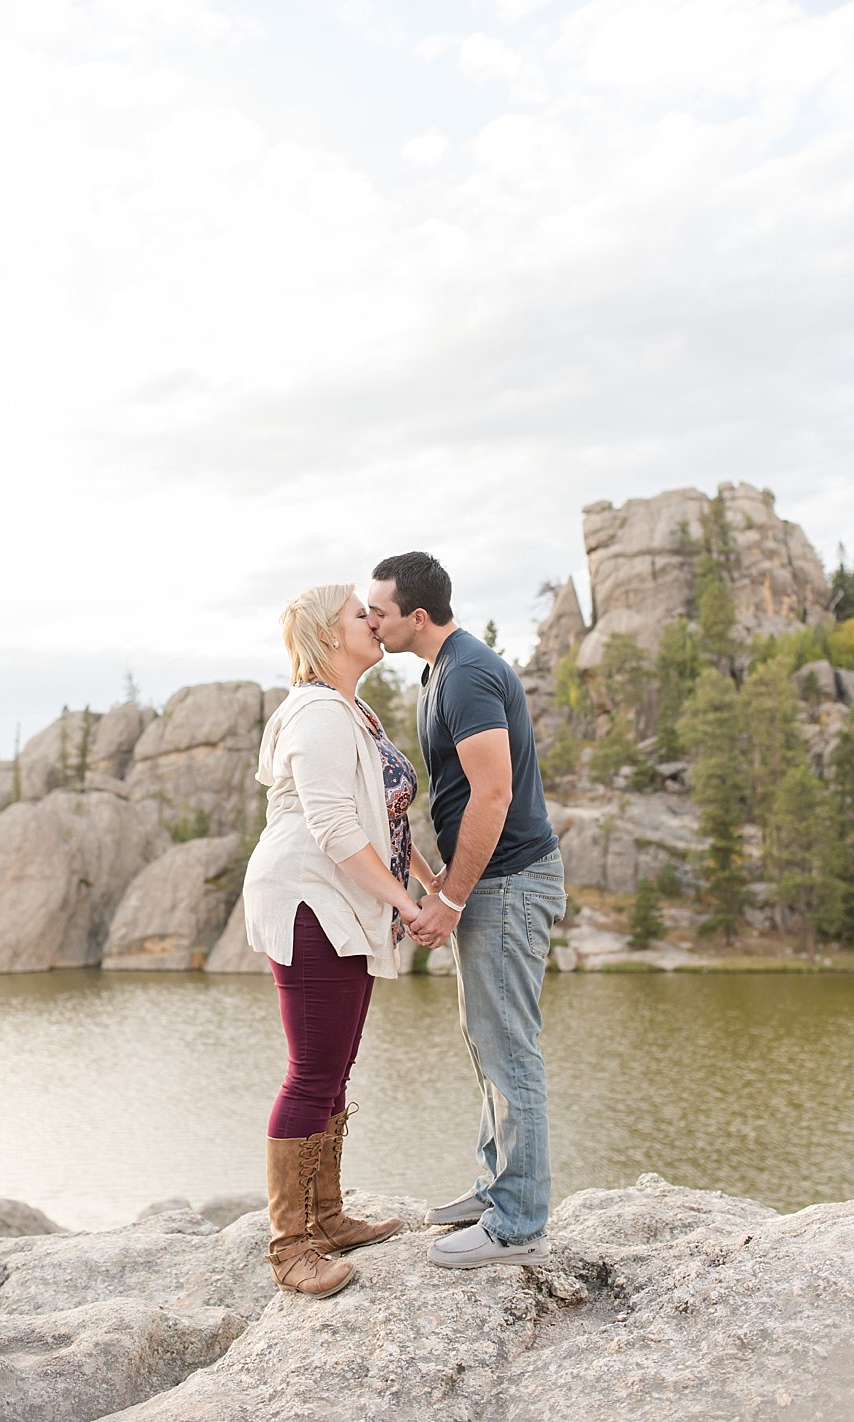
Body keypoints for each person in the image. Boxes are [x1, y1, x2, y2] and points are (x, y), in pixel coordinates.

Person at [365, 550, 566, 1269]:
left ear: (417, 617)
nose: (370, 621)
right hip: (490, 881)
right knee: (488, 1039)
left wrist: (449, 899)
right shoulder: (437, 673)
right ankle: (495, 1188)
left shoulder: (471, 674)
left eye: (378, 611)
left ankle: (518, 1225)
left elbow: (493, 795)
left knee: (509, 1046)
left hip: (510, 883)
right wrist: (443, 882)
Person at [243, 583, 437, 1297]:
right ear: (330, 635)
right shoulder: (318, 713)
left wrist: (425, 879)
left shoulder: (353, 711)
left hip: (346, 898)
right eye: (362, 614)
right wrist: (407, 905)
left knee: (336, 1066)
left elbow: (383, 817)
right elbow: (330, 825)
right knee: (311, 1072)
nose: (375, 621)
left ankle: (327, 1218)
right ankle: (290, 1250)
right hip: (309, 897)